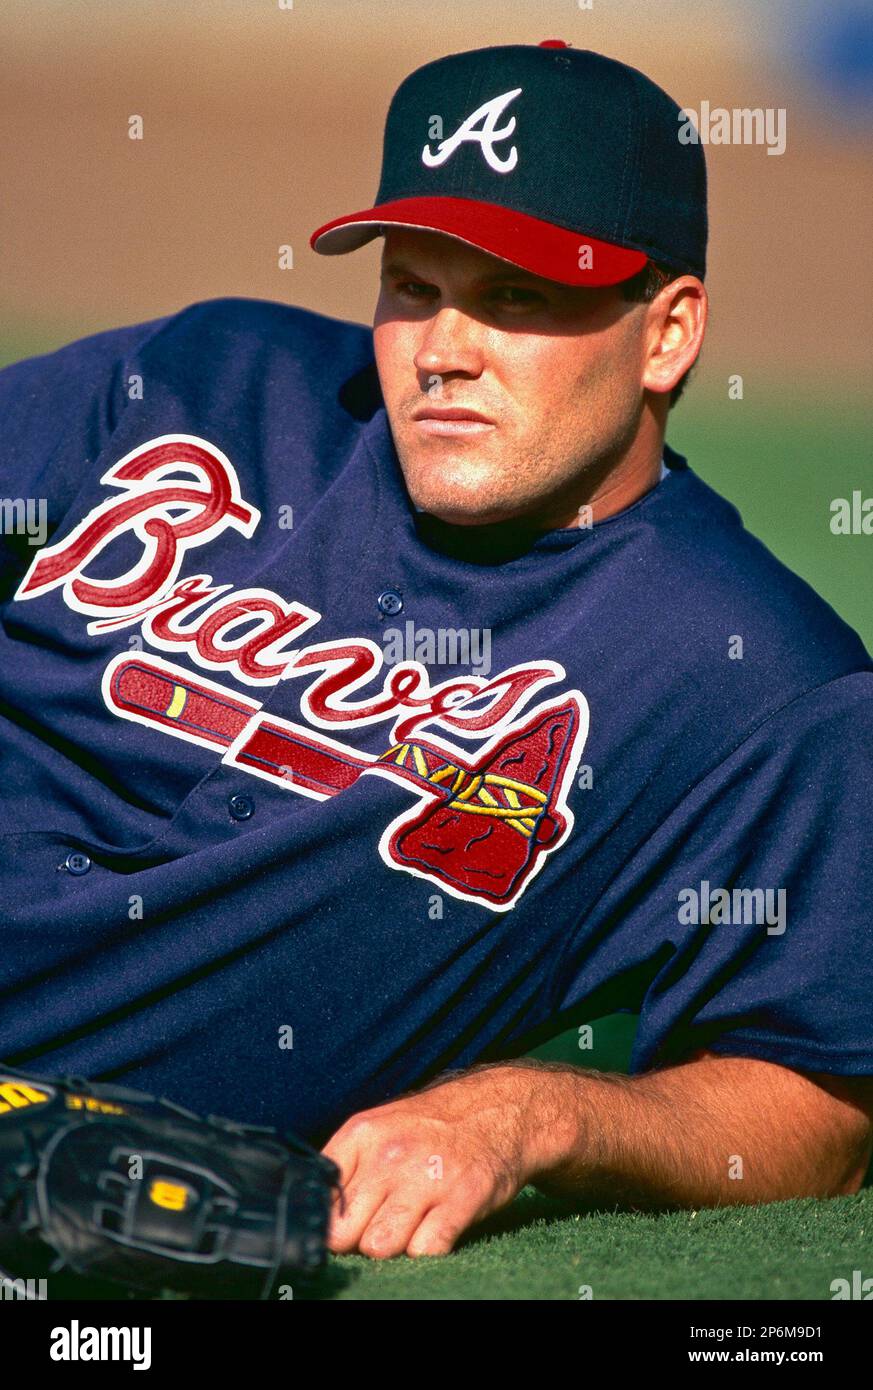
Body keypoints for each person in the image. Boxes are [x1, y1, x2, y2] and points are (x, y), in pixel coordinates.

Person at [0, 42, 870, 1265]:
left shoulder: (752, 685)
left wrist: (532, 1115)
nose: (441, 347)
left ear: (668, 333)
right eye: (413, 285)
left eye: (515, 298)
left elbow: (824, 1099)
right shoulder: (206, 383)